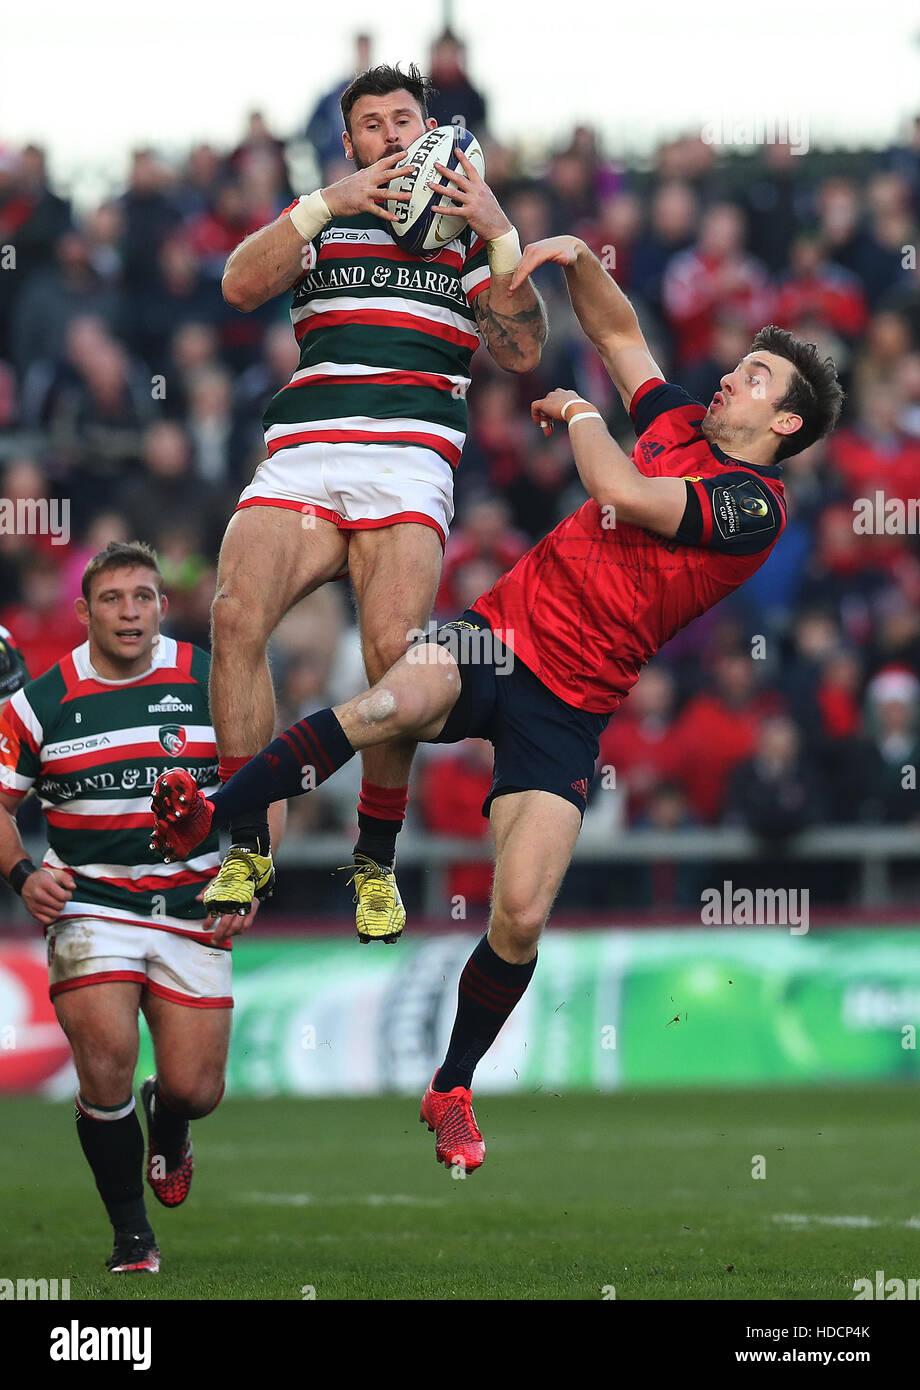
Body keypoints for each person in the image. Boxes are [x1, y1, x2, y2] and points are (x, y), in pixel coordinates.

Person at [150, 238, 844, 1173]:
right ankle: (213, 817)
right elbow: (619, 333)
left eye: (754, 377)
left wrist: (584, 414)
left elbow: (621, 489)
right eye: (739, 364)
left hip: (573, 705)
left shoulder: (755, 506)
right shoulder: (681, 419)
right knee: (389, 702)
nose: (729, 377)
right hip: (498, 640)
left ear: (786, 422)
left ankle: (451, 1087)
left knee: (518, 913)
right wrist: (573, 258)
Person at [212, 61, 546, 943]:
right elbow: (237, 285)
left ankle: (374, 858)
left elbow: (520, 352)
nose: (391, 133)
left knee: (395, 655)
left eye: (405, 118)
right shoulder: (321, 218)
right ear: (350, 140)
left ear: (429, 131)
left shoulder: (467, 232)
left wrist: (501, 232)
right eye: (373, 122)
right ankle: (248, 844)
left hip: (408, 458)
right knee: (235, 615)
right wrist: (324, 202)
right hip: (304, 451)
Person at [0, 541, 280, 1273]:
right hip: (90, 903)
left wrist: (248, 877)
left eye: (143, 597)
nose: (130, 613)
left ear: (162, 604)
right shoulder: (41, 702)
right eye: (113, 599)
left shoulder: (211, 679)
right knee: (105, 1062)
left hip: (194, 903)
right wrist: (23, 874)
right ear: (84, 610)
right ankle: (132, 1237)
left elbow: (269, 780)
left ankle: (172, 1120)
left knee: (197, 1089)